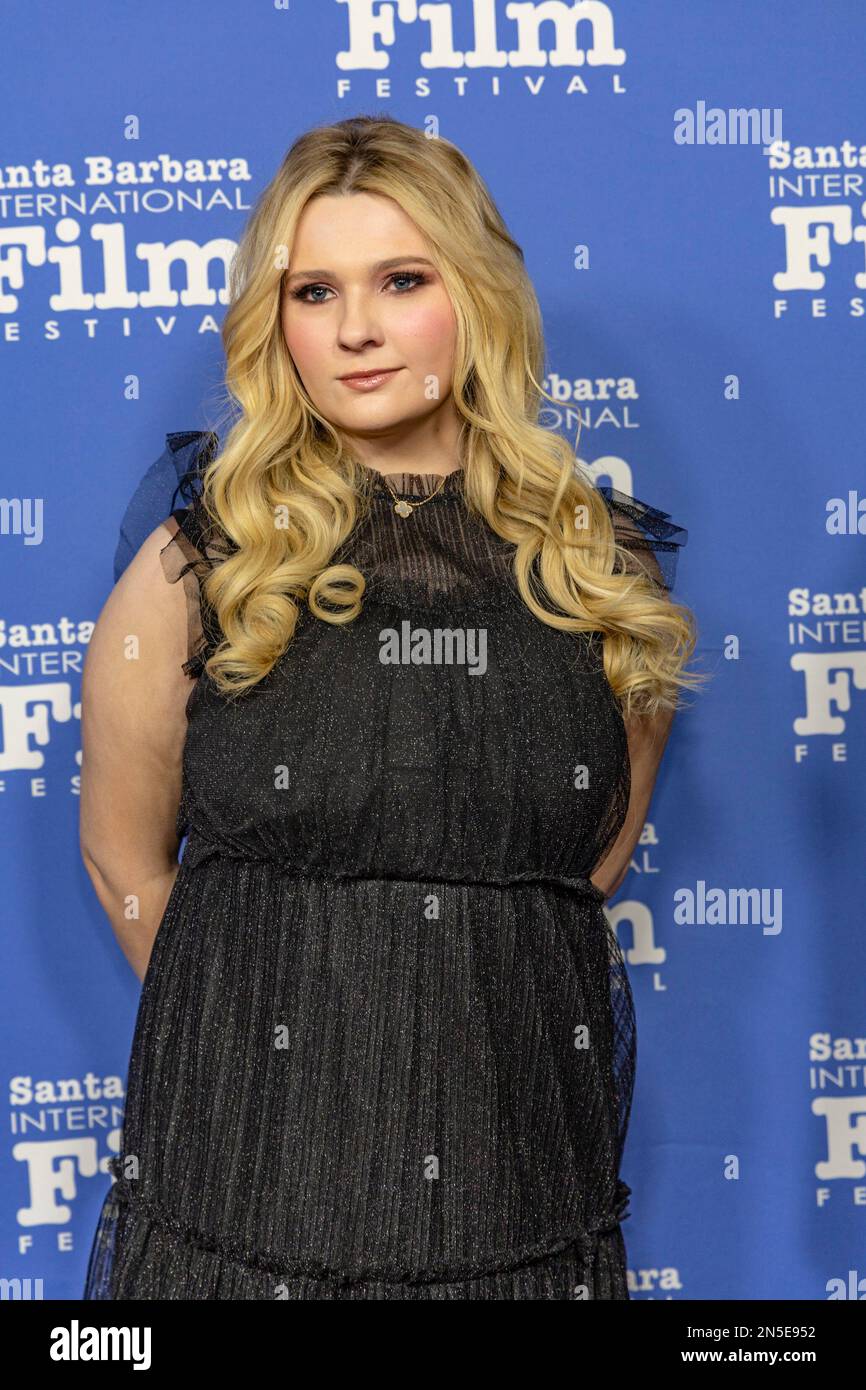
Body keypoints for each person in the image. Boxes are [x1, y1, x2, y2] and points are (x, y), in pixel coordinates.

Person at [79, 114, 704, 1301]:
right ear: (278, 325)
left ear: (476, 298)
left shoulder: (597, 569)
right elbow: (122, 853)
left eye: (400, 281)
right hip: (245, 1173)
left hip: (512, 1162)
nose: (355, 329)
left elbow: (589, 860)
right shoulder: (197, 564)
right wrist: (291, 1027)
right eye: (314, 291)